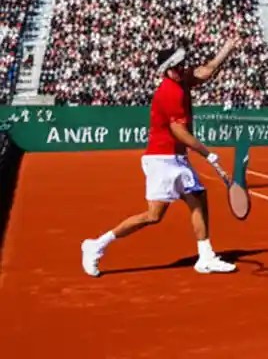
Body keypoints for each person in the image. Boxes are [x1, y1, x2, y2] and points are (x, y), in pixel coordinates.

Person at [80, 36, 242, 277]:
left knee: (198, 197)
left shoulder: (183, 79)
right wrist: (208, 154)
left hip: (175, 158)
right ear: (166, 71)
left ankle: (206, 256)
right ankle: (96, 245)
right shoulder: (169, 93)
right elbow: (179, 131)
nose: (182, 69)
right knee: (153, 216)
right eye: (176, 67)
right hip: (162, 159)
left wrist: (226, 49)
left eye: (182, 64)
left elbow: (205, 72)